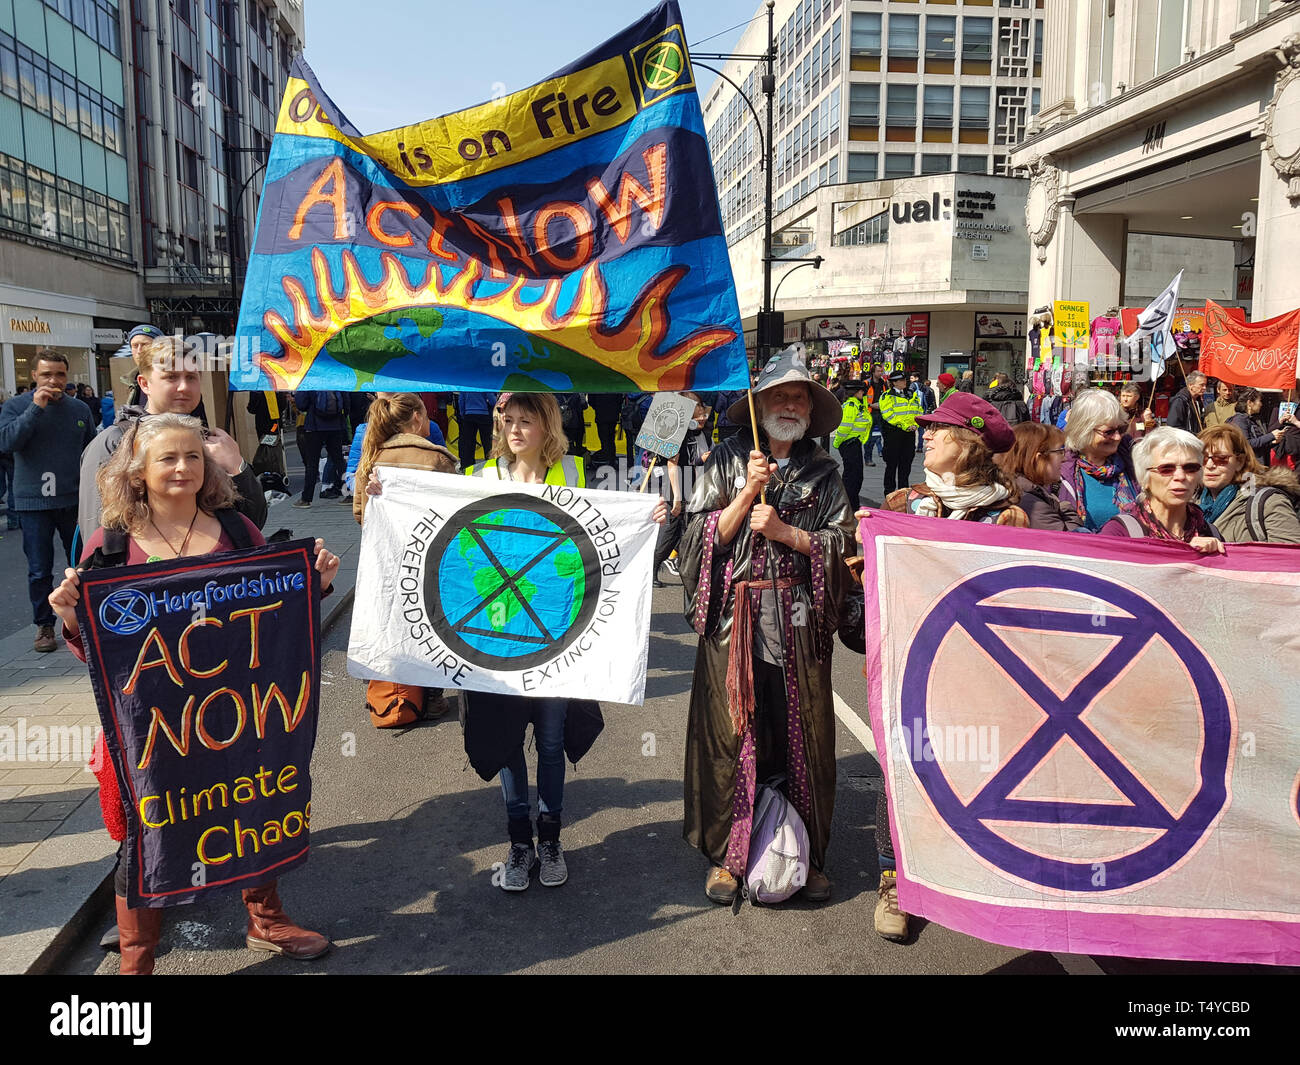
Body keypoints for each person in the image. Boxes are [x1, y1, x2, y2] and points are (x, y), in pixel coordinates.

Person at [48, 412, 339, 974]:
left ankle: (266, 919)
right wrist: (71, 622)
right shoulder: (109, 547)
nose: (183, 468)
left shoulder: (235, 531)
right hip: (155, 729)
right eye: (168, 458)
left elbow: (274, 624)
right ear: (137, 470)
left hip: (235, 716)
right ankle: (137, 959)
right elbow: (102, 658)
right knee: (147, 828)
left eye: (193, 457)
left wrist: (316, 585)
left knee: (250, 808)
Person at [454, 392, 664, 891]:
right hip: (501, 635)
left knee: (550, 742)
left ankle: (550, 839)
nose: (515, 429)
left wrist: (646, 515)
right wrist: (379, 490)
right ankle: (518, 843)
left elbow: (600, 533)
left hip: (557, 635)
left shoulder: (573, 472)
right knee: (507, 745)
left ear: (547, 426)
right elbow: (461, 544)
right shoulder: (478, 479)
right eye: (509, 420)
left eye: (527, 420)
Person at [678, 345, 855, 906]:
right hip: (735, 622)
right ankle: (729, 858)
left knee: (801, 735)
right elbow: (697, 536)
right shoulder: (726, 458)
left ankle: (805, 854)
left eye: (799, 396)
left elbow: (844, 547)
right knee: (734, 736)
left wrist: (787, 533)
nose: (790, 403)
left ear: (810, 410)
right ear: (760, 403)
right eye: (779, 394)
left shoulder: (826, 472)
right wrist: (749, 492)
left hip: (799, 622)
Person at [869, 393, 1025, 943]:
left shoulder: (1008, 514)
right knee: (904, 771)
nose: (926, 435)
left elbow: (1020, 597)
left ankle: (974, 876)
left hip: (982, 671)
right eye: (927, 428)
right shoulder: (900, 501)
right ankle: (898, 883)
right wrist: (863, 549)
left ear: (970, 443)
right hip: (911, 665)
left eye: (939, 429)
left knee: (976, 772)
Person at [79, 336, 267, 546]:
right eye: (171, 377)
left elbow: (252, 522)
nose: (184, 387)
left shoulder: (210, 441)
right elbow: (98, 540)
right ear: (144, 384)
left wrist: (237, 467)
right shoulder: (114, 442)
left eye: (191, 377)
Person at [354, 394, 459, 725]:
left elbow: (361, 512)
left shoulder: (373, 457)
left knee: (396, 619)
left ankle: (397, 689)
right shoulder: (437, 457)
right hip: (429, 557)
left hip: (386, 557)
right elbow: (456, 514)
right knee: (431, 620)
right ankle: (432, 695)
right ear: (417, 417)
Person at [0, 349, 97, 652]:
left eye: (60, 375)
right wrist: (36, 407)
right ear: (34, 377)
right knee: (39, 569)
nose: (53, 381)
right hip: (33, 504)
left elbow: (90, 453)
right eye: (46, 375)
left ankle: (88, 620)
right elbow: (7, 443)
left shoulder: (79, 409)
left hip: (73, 501)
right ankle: (44, 625)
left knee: (82, 564)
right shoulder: (16, 407)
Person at [1097, 427, 1224, 552]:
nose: (1180, 476)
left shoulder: (1210, 534)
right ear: (1144, 479)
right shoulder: (1119, 533)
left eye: (1190, 468)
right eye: (1166, 469)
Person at [1198, 423, 1300, 544]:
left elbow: (1288, 558)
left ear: (1239, 462)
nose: (1209, 465)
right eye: (1202, 458)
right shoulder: (1190, 502)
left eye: (1220, 458)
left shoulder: (1268, 503)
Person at [1056, 388, 1139, 532]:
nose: (1117, 437)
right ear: (1083, 430)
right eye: (1109, 432)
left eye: (1121, 429)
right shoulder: (1058, 473)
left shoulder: (1133, 464)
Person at [652, 393, 711, 587]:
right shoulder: (677, 433)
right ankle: (650, 570)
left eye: (703, 413)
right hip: (677, 488)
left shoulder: (704, 433)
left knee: (688, 533)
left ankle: (690, 571)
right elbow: (673, 465)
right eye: (697, 414)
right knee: (671, 535)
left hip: (696, 487)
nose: (702, 417)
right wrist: (677, 498)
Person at [999, 420, 1083, 531]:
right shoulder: (1032, 504)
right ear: (1038, 459)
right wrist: (1065, 508)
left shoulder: (1022, 490)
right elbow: (1073, 541)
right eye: (1059, 452)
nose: (1064, 458)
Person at [291, 390, 346, 506]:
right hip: (336, 425)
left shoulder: (310, 381)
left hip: (314, 427)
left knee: (312, 463)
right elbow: (346, 402)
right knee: (339, 461)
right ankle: (350, 493)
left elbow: (301, 404)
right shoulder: (335, 379)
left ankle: (306, 499)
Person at [876, 370, 923, 496]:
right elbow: (888, 415)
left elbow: (919, 410)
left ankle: (903, 492)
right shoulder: (887, 396)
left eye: (905, 380)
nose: (904, 382)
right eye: (901, 380)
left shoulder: (910, 394)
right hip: (893, 434)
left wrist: (916, 424)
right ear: (894, 383)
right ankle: (889, 493)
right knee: (891, 466)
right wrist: (905, 426)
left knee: (906, 465)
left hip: (909, 434)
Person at [831, 379, 871, 507]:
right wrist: (837, 443)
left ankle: (851, 502)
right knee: (852, 476)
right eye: (862, 391)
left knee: (856, 475)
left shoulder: (858, 404)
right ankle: (848, 504)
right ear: (857, 392)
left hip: (854, 443)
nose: (863, 393)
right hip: (849, 444)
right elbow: (844, 427)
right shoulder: (850, 406)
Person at [1227, 387, 1284, 468]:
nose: (1261, 404)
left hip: (1258, 465)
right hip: (1248, 467)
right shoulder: (1240, 420)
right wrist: (1271, 435)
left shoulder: (1252, 419)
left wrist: (1272, 442)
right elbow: (1247, 444)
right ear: (1250, 403)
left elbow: (1258, 441)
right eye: (1259, 401)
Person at [1166, 370, 1208, 435]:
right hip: (1184, 442)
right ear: (1190, 385)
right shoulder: (1180, 401)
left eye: (1205, 385)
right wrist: (1194, 435)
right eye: (1201, 385)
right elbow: (1173, 427)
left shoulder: (1198, 401)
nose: (1204, 388)